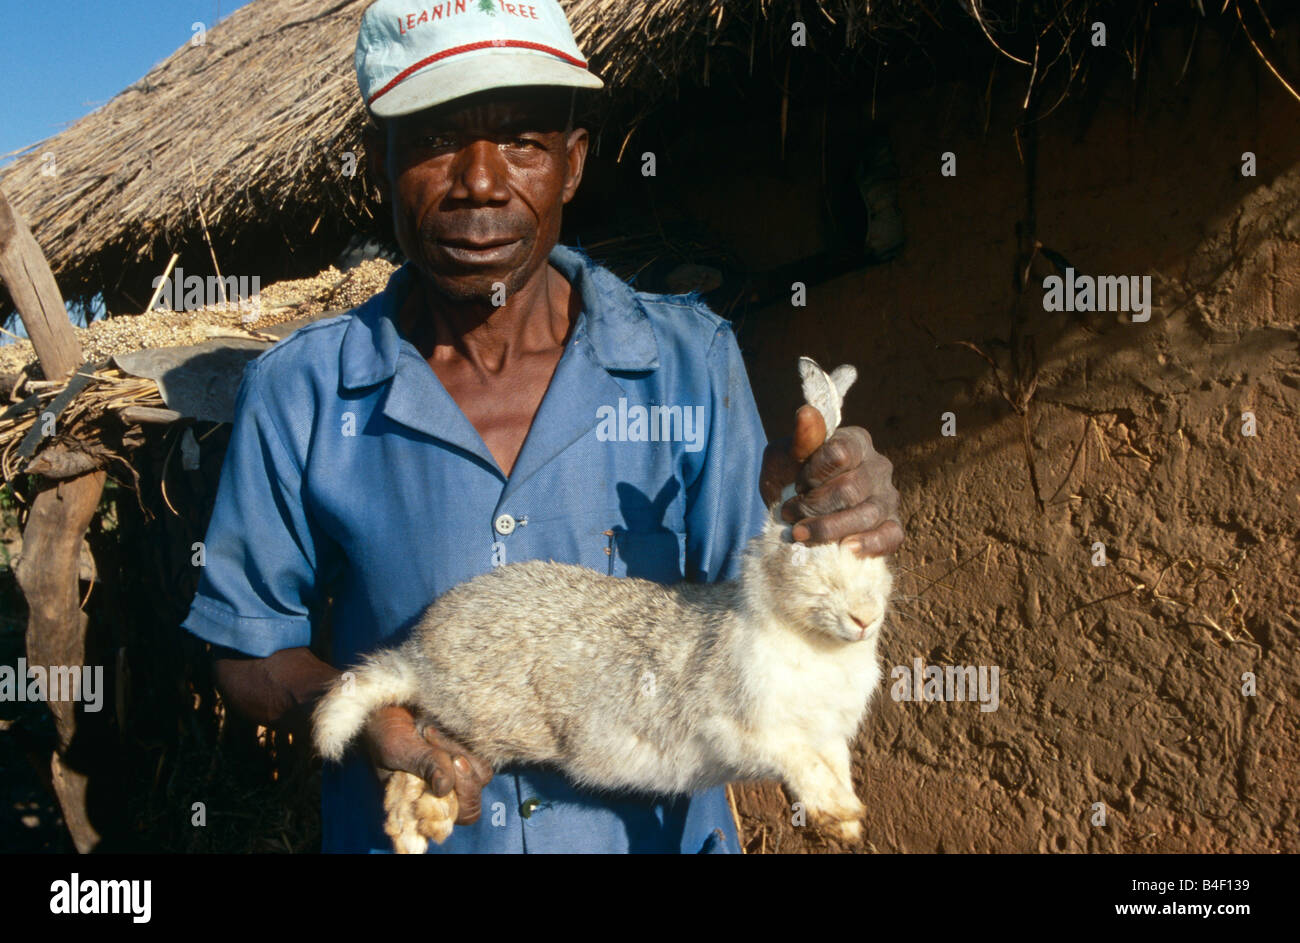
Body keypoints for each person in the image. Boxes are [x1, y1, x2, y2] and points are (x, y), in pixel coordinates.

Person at [182, 0, 903, 853]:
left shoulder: (689, 362)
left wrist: (821, 527)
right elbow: (248, 655)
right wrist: (370, 708)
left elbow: (765, 615)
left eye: (522, 140)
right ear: (382, 163)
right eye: (435, 139)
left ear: (571, 163)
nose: (480, 181)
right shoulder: (299, 391)